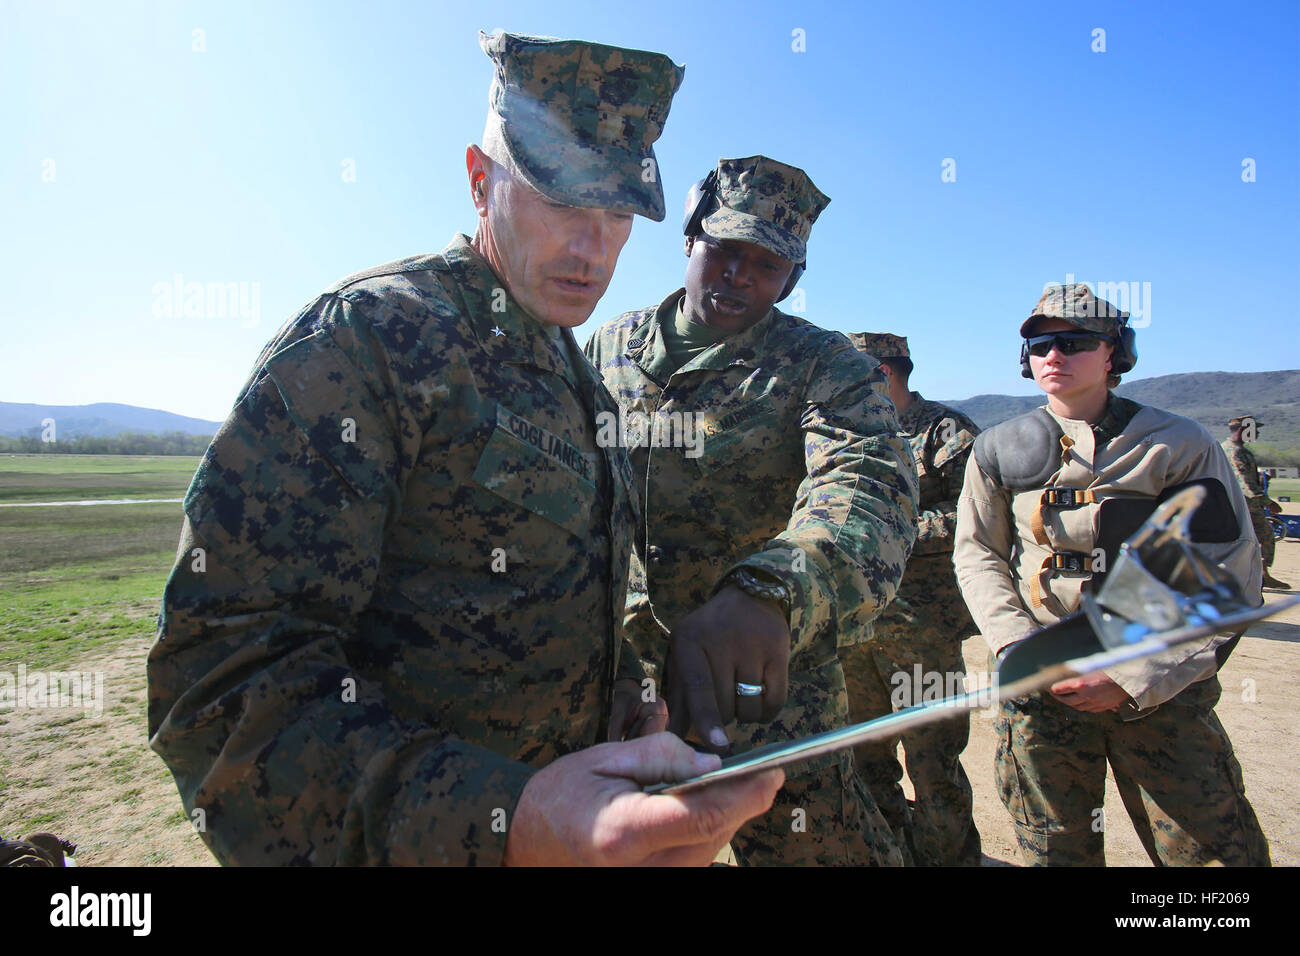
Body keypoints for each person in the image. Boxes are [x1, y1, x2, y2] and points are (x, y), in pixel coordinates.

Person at [146, 31, 784, 867]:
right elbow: (218, 689)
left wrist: (627, 702)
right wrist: (503, 821)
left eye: (618, 213)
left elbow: (556, 602)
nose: (594, 250)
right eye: (560, 200)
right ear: (482, 184)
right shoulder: (368, 343)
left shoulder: (581, 382)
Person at [584, 156, 919, 866]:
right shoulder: (607, 348)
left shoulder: (823, 365)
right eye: (725, 251)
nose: (740, 275)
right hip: (627, 692)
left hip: (772, 695)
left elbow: (865, 483)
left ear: (792, 280)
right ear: (688, 241)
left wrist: (774, 589)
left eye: (767, 265)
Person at [953, 282, 1270, 866]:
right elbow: (978, 555)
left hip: (1160, 694)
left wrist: (1136, 675)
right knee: (1054, 851)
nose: (1055, 354)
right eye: (1041, 343)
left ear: (1113, 353)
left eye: (1075, 341)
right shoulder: (998, 448)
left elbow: (1228, 570)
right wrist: (1020, 651)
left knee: (1211, 859)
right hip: (1044, 690)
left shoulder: (1177, 444)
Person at [841, 332, 982, 866]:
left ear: (882, 370)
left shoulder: (945, 433)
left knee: (933, 762)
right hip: (856, 626)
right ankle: (888, 855)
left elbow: (980, 518)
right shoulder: (845, 430)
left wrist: (891, 530)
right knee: (863, 756)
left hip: (924, 626)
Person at [1223, 416, 1290, 590]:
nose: (1257, 432)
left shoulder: (1224, 448)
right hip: (1248, 504)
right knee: (1265, 534)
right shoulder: (1237, 452)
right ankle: (1262, 574)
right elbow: (1244, 480)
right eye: (1254, 429)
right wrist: (1266, 501)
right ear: (1243, 429)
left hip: (1230, 502)